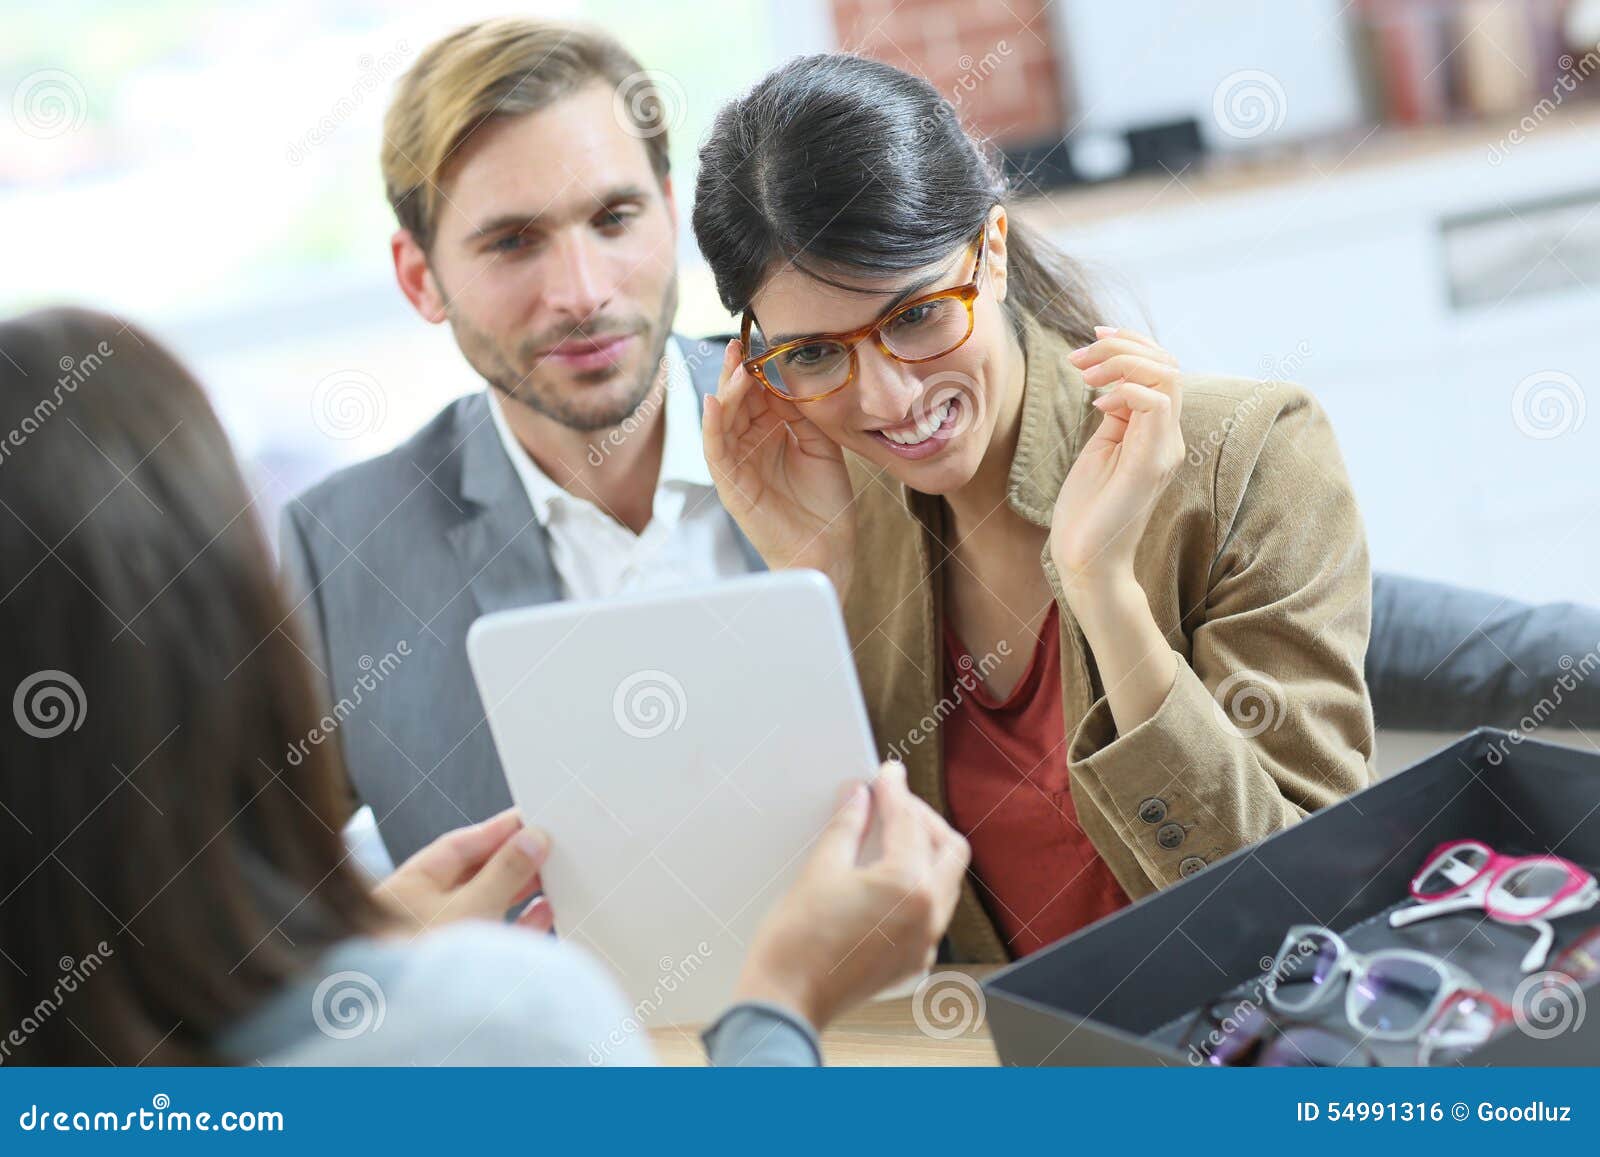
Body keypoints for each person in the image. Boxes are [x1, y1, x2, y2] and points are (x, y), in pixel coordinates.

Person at [0, 307, 968, 1066]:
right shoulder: (503, 1023)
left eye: (616, 214)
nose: (580, 286)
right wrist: (780, 1006)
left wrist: (370, 940)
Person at [693, 53, 1376, 963]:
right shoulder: (822, 496)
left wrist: (1106, 594)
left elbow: (1302, 914)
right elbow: (801, 928)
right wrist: (810, 583)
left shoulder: (1247, 458)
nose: (889, 398)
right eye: (815, 353)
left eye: (917, 315)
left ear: (996, 250)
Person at [278, 19, 760, 868]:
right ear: (420, 277)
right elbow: (237, 901)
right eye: (512, 241)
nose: (582, 293)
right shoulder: (340, 551)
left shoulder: (841, 424)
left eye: (614, 218)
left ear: (669, 210)